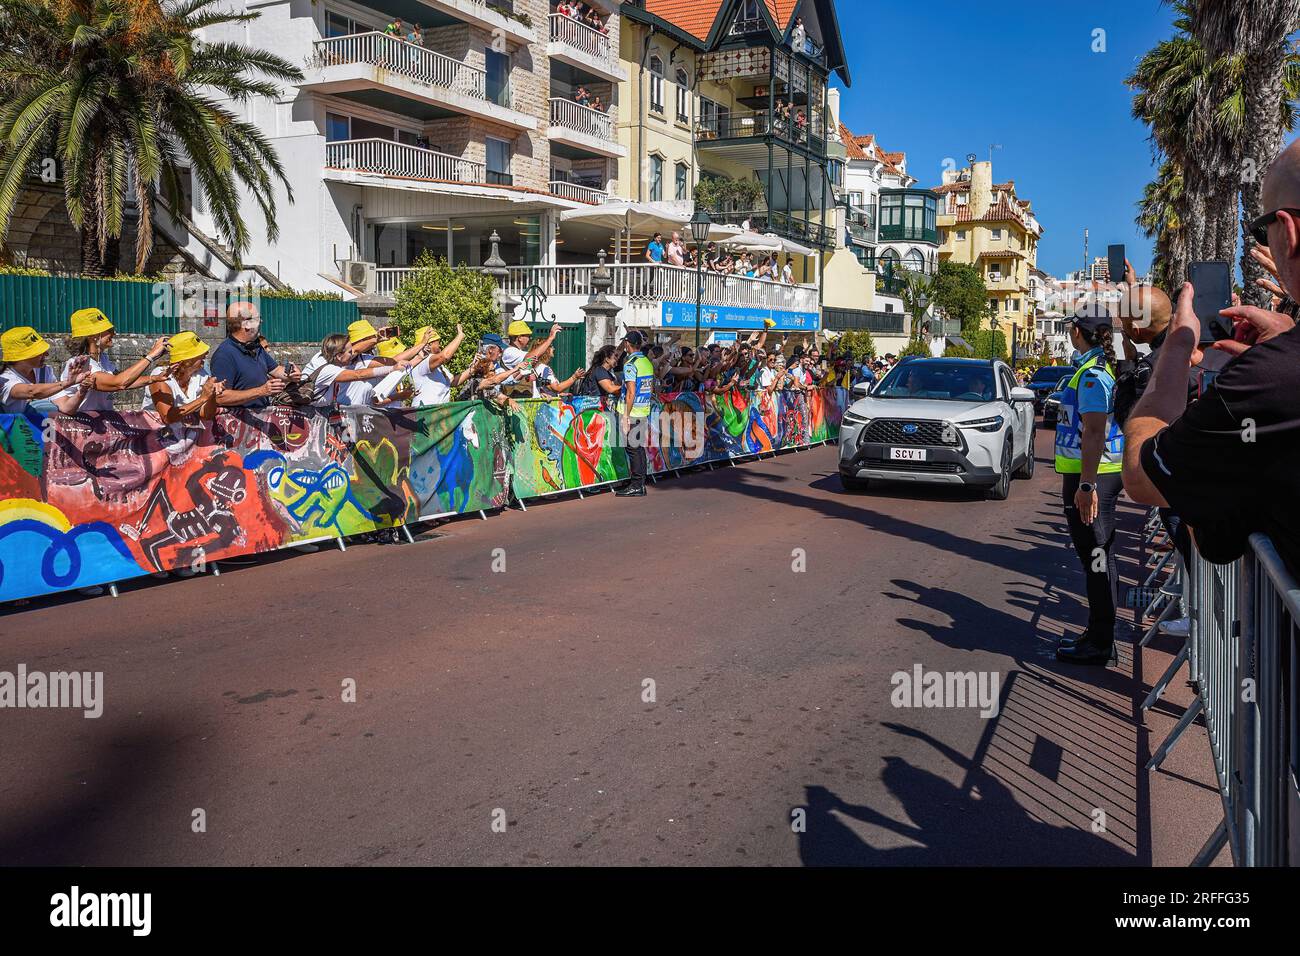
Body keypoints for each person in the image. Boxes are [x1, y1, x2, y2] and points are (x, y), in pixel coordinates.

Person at [1122, 143, 1300, 576]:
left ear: (1288, 231)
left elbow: (1141, 473)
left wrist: (1179, 346)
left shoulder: (1271, 379)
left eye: (1261, 232)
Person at [1053, 300, 1125, 665]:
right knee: (1097, 557)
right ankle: (1099, 633)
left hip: (1095, 478)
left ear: (1077, 332)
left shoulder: (1094, 373)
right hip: (1094, 475)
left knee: (1096, 557)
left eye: (1070, 327)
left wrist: (1086, 486)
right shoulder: (1091, 367)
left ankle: (1101, 641)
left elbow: (1095, 430)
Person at [55, 308, 170, 413]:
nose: (113, 333)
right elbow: (119, 383)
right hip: (81, 426)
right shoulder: (80, 363)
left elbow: (127, 380)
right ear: (92, 336)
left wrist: (154, 378)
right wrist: (151, 355)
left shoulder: (103, 359)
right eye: (109, 330)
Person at [210, 301, 293, 408]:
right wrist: (261, 391)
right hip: (237, 423)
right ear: (247, 324)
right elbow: (220, 397)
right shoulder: (224, 354)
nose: (261, 321)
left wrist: (291, 373)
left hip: (260, 420)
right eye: (258, 318)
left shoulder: (255, 346)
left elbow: (276, 370)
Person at [0, 327, 92, 415]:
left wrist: (82, 390)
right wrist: (67, 383)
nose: (46, 354)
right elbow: (31, 392)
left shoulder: (44, 372)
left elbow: (67, 408)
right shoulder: (5, 380)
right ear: (22, 357)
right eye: (39, 352)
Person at [145, 332, 223, 423]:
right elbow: (168, 417)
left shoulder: (201, 374)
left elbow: (206, 415)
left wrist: (212, 395)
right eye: (200, 353)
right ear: (186, 359)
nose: (206, 354)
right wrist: (202, 398)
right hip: (156, 435)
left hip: (187, 435)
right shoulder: (160, 376)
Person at [615, 330, 654, 497]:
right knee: (638, 448)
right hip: (643, 409)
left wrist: (625, 415)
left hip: (632, 411)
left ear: (626, 344)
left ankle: (637, 484)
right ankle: (639, 482)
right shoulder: (646, 361)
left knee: (633, 448)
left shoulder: (631, 363)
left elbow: (630, 392)